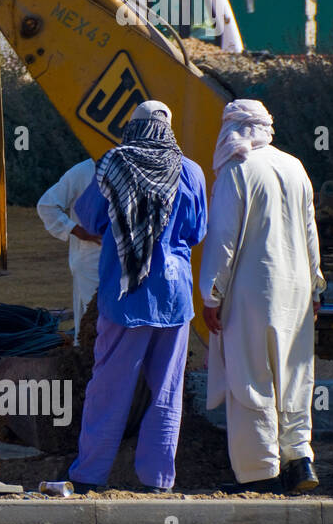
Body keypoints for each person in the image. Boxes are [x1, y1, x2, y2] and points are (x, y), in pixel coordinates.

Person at [66, 101, 207, 493]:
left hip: (125, 294)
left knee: (108, 388)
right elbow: (196, 230)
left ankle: (88, 477)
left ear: (132, 127)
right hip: (174, 296)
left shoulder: (114, 163)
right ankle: (158, 481)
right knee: (166, 390)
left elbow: (89, 217)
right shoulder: (190, 171)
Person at [200, 100, 325, 494]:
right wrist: (316, 287)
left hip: (253, 292)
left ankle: (261, 472)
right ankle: (300, 461)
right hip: (298, 291)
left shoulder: (238, 170)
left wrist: (211, 295)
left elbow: (223, 240)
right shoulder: (295, 166)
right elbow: (310, 234)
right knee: (295, 376)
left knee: (251, 376)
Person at [36, 158, 102, 346]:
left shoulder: (130, 168)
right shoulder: (83, 171)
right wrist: (77, 230)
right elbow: (47, 205)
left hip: (122, 262)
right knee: (95, 319)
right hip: (91, 261)